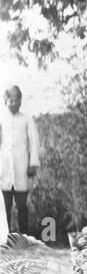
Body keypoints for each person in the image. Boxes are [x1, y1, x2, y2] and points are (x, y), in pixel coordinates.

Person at [0, 85, 41, 235]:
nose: (14, 103)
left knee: (22, 205)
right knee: (5, 206)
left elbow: (34, 142)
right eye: (11, 101)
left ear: (20, 101)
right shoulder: (1, 120)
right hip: (4, 168)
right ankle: (6, 237)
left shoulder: (26, 119)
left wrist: (33, 164)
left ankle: (23, 236)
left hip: (21, 167)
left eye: (17, 100)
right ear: (5, 102)